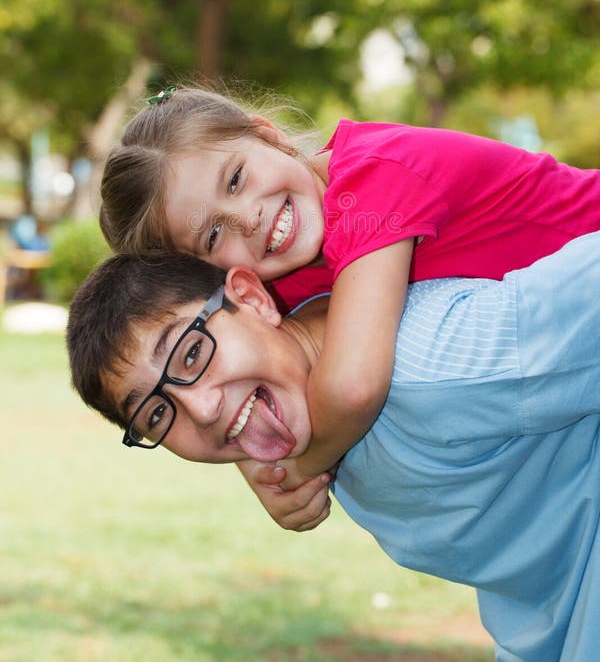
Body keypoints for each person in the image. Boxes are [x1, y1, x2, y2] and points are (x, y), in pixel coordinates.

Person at [68, 232, 600, 662]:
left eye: (190, 354)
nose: (201, 410)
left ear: (252, 298)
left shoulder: (429, 365)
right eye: (158, 414)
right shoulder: (311, 429)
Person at [98, 86, 600, 490]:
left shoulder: (372, 177)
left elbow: (354, 386)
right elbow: (241, 373)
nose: (247, 217)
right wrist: (253, 463)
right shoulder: (283, 274)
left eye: (235, 179)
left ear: (268, 136)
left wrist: (297, 470)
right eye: (212, 235)